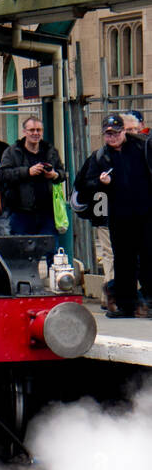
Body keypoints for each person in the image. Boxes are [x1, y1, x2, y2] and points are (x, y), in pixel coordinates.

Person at [77, 113, 152, 319]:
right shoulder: (99, 157)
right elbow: (83, 186)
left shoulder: (141, 148)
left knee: (147, 258)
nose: (113, 137)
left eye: (117, 133)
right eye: (109, 134)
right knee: (124, 261)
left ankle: (148, 301)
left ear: (123, 132)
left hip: (145, 214)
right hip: (119, 217)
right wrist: (101, 183)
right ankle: (125, 305)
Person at [0, 115, 65, 236]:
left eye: (39, 130)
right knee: (23, 252)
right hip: (21, 213)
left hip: (47, 213)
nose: (35, 133)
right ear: (24, 132)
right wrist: (27, 172)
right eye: (32, 130)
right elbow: (2, 174)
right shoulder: (13, 152)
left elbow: (63, 173)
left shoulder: (50, 151)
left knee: (49, 251)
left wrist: (55, 175)